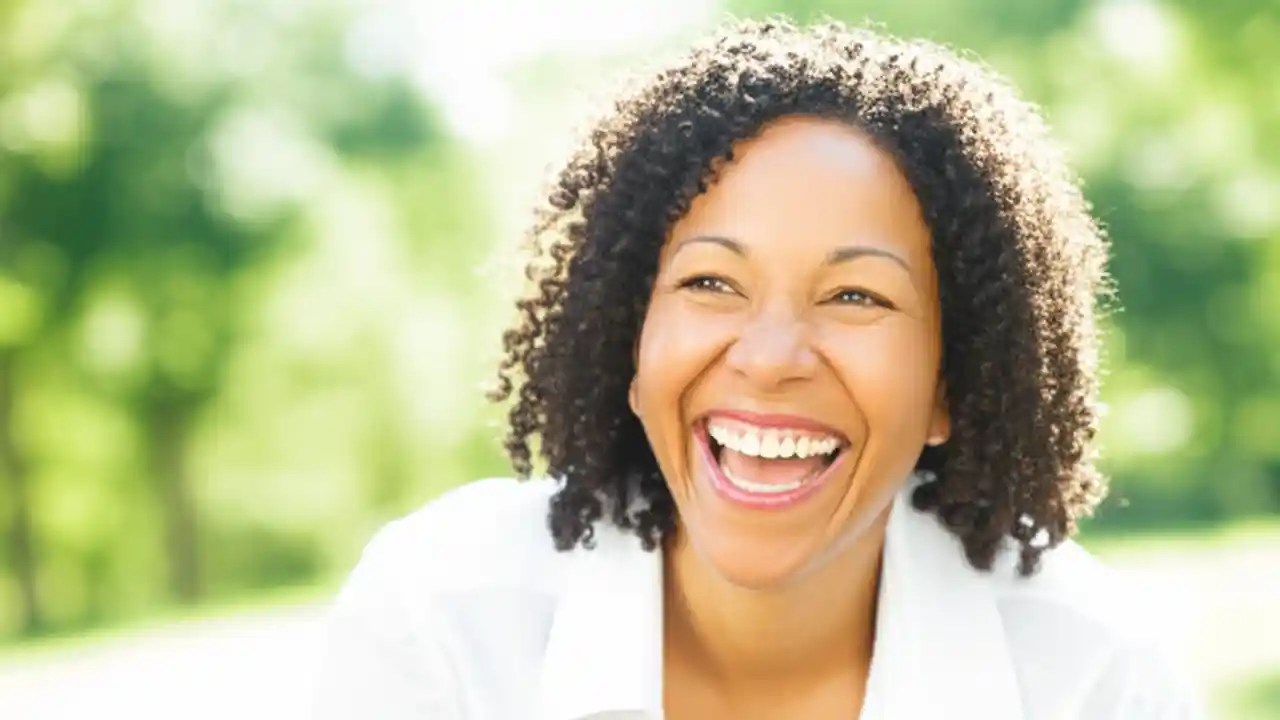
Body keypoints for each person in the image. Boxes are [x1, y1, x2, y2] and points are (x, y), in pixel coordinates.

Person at [313, 17, 1204, 720]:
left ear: (951, 387)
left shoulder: (1092, 679)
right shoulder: (443, 621)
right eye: (710, 282)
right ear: (631, 340)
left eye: (856, 297)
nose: (771, 358)